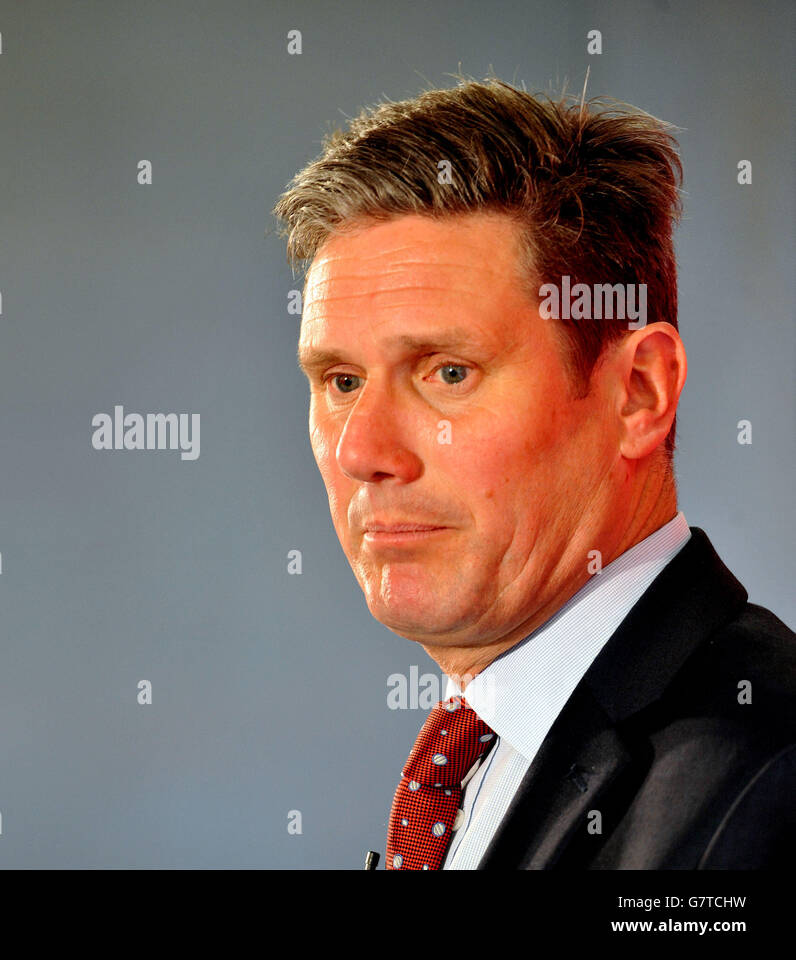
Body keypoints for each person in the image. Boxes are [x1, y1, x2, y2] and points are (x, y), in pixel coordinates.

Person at [271, 78, 796, 869]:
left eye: (447, 372)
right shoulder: (482, 754)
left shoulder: (768, 779)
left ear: (638, 394)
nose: (362, 451)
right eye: (341, 382)